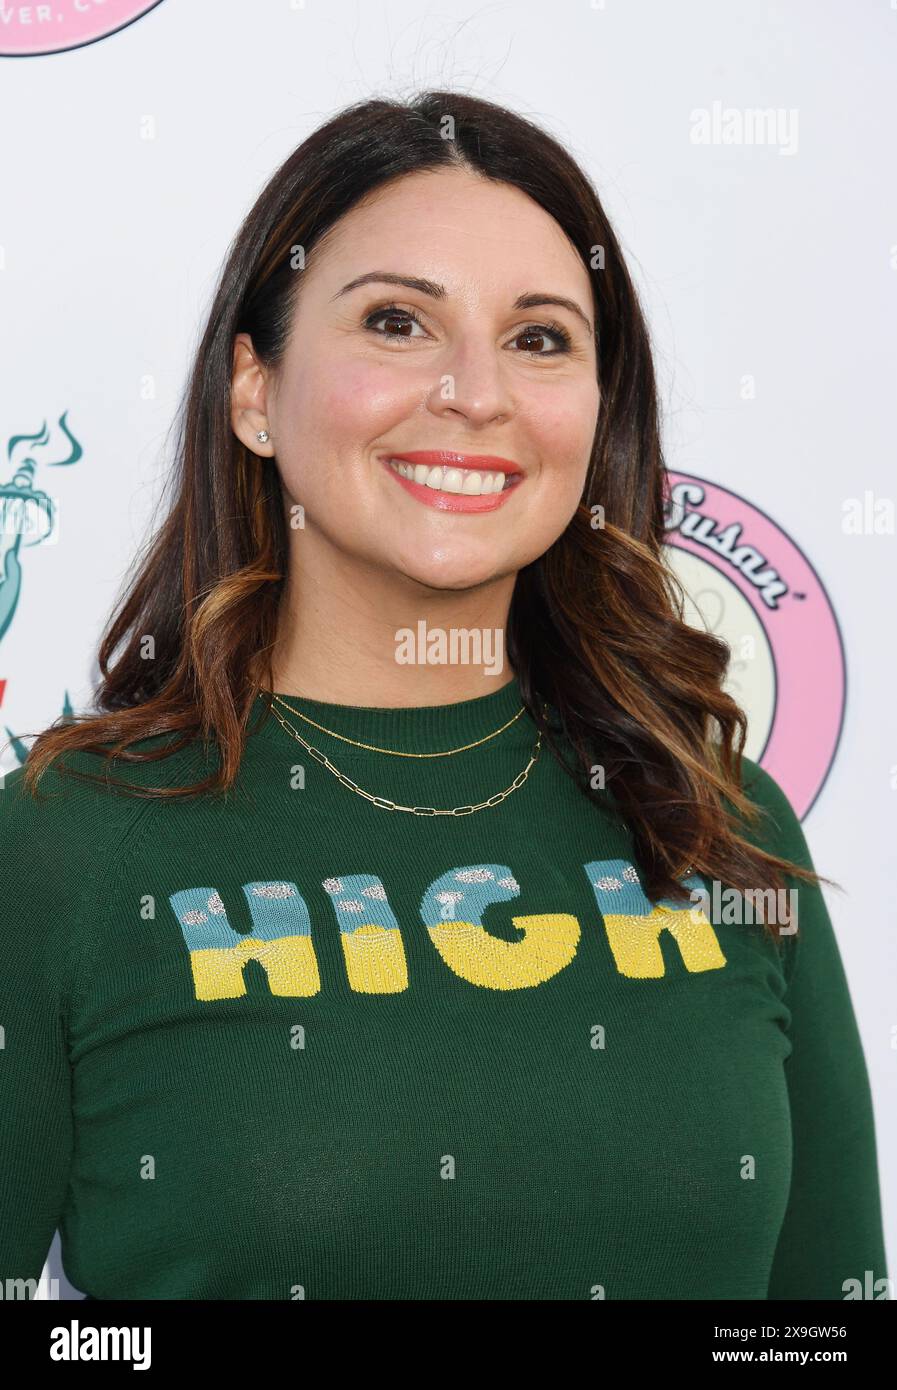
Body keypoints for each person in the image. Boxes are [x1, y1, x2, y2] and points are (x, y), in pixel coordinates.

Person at [0, 91, 887, 1301]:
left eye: (539, 339)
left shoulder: (720, 822)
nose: (477, 391)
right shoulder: (65, 842)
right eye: (398, 322)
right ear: (255, 392)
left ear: (594, 411)